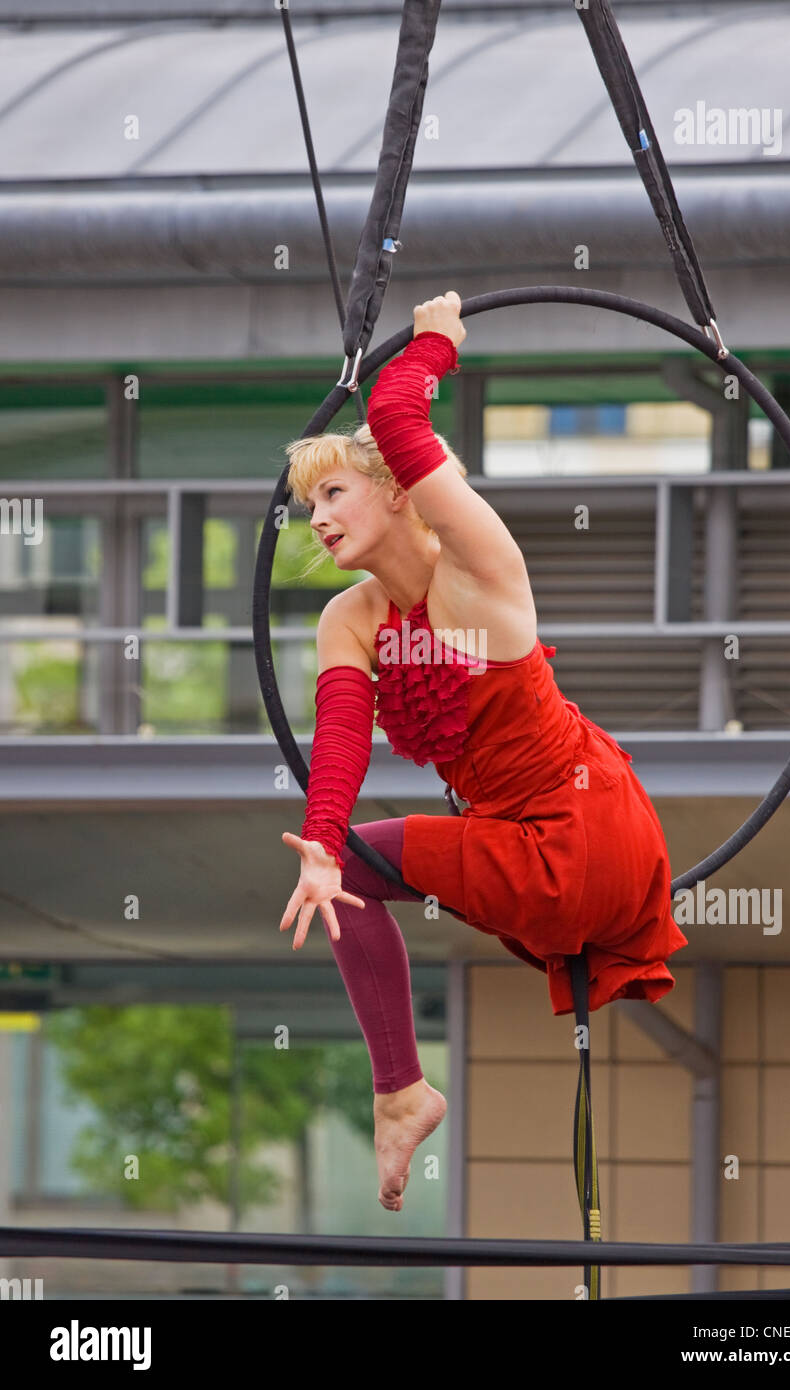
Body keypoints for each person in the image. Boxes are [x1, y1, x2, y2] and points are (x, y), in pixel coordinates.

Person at [279, 290, 688, 1212]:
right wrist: (316, 839)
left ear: (395, 487)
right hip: (532, 842)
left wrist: (435, 342)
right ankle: (400, 1092)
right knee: (338, 861)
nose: (317, 518)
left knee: (352, 860)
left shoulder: (475, 564)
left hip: (582, 828)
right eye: (310, 504)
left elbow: (392, 412)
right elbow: (341, 736)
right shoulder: (351, 619)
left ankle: (400, 1092)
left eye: (333, 492)